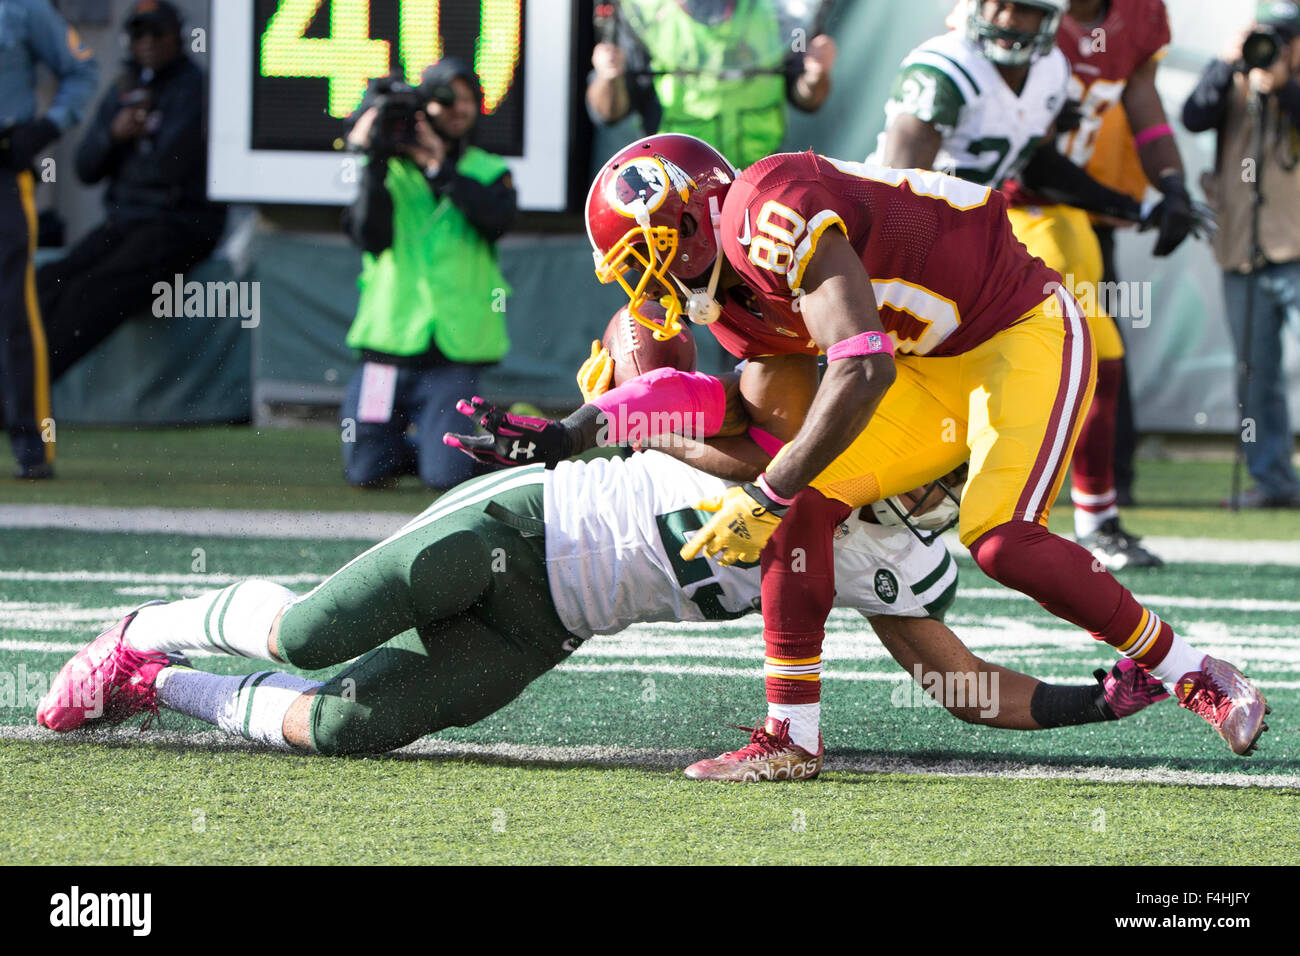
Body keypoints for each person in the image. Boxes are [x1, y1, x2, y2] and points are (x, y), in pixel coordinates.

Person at [540, 132, 1266, 778]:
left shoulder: (769, 212)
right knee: (803, 502)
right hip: (928, 365)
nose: (647, 284)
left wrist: (766, 493)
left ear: (690, 220)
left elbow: (861, 369)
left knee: (1001, 540)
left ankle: (1189, 670)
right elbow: (772, 439)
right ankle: (791, 737)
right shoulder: (734, 304)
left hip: (1019, 328)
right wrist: (592, 426)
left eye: (647, 257)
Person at [37, 416, 1165, 761]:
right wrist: (588, 415)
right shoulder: (796, 420)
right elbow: (674, 384)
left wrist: (1090, 696)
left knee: (344, 725)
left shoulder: (903, 560)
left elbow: (961, 688)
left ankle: (160, 682)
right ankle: (140, 625)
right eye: (937, 470)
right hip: (527, 525)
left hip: (552, 624)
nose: (937, 494)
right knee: (309, 624)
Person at [998, 0, 1208, 565]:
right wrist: (1140, 204)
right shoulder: (1023, 15)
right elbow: (1029, 163)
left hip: (1061, 213)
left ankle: (1096, 516)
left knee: (1101, 358)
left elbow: (1142, 98)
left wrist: (1171, 183)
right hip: (994, 208)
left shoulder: (1138, 16)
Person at [341, 57, 516, 491]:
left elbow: (496, 220)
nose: (458, 109)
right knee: (364, 469)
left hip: (453, 352)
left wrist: (440, 169)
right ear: (422, 109)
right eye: (444, 99)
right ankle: (438, 450)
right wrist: (370, 158)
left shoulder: (489, 170)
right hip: (388, 346)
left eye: (468, 99)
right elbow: (368, 236)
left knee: (445, 477)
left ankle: (482, 450)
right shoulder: (388, 172)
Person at [37, 0, 224, 383]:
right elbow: (85, 167)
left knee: (90, 292)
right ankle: (17, 379)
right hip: (126, 220)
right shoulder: (126, 86)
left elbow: (171, 168)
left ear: (178, 37)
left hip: (177, 224)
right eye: (140, 33)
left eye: (158, 33)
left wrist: (140, 137)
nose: (149, 43)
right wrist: (113, 136)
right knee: (48, 280)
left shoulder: (195, 88)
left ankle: (27, 392)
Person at [1184, 0, 1300, 509]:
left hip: (1296, 247)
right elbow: (1192, 116)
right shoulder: (1236, 75)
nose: (1278, 45)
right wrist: (1225, 63)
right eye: (1270, 35)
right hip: (1244, 251)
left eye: (1289, 36)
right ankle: (1271, 479)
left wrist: (1286, 88)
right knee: (1255, 374)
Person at [0, 0, 97, 480]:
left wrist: (46, 127)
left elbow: (82, 69)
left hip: (4, 175)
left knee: (15, 310)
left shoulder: (23, 9)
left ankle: (32, 445)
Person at [587, 0, 835, 169]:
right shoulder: (645, 15)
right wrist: (609, 76)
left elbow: (807, 99)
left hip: (764, 177)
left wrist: (815, 74)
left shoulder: (777, 12)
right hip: (676, 182)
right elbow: (609, 112)